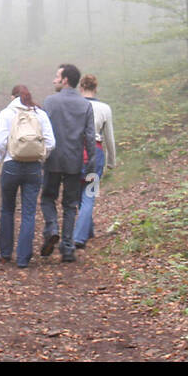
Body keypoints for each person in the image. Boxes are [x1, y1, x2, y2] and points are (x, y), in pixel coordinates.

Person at [0, 85, 55, 269]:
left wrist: (3, 158)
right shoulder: (40, 114)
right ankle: (23, 258)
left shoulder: (6, 113)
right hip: (34, 167)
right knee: (28, 213)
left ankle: (5, 254)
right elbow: (51, 142)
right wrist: (40, 157)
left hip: (11, 164)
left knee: (7, 209)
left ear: (12, 96)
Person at [40, 63, 97, 263]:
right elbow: (90, 136)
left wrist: (41, 156)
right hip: (74, 160)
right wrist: (91, 160)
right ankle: (67, 248)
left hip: (52, 159)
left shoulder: (50, 102)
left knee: (48, 197)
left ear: (65, 80)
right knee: (70, 205)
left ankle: (52, 228)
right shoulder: (85, 105)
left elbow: (42, 132)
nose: (54, 79)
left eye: (57, 76)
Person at [73, 73, 115, 249]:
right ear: (96, 88)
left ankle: (82, 233)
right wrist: (112, 161)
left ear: (80, 88)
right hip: (95, 153)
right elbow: (109, 137)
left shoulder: (75, 105)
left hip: (75, 152)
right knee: (89, 195)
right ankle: (83, 233)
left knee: (78, 195)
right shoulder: (105, 108)